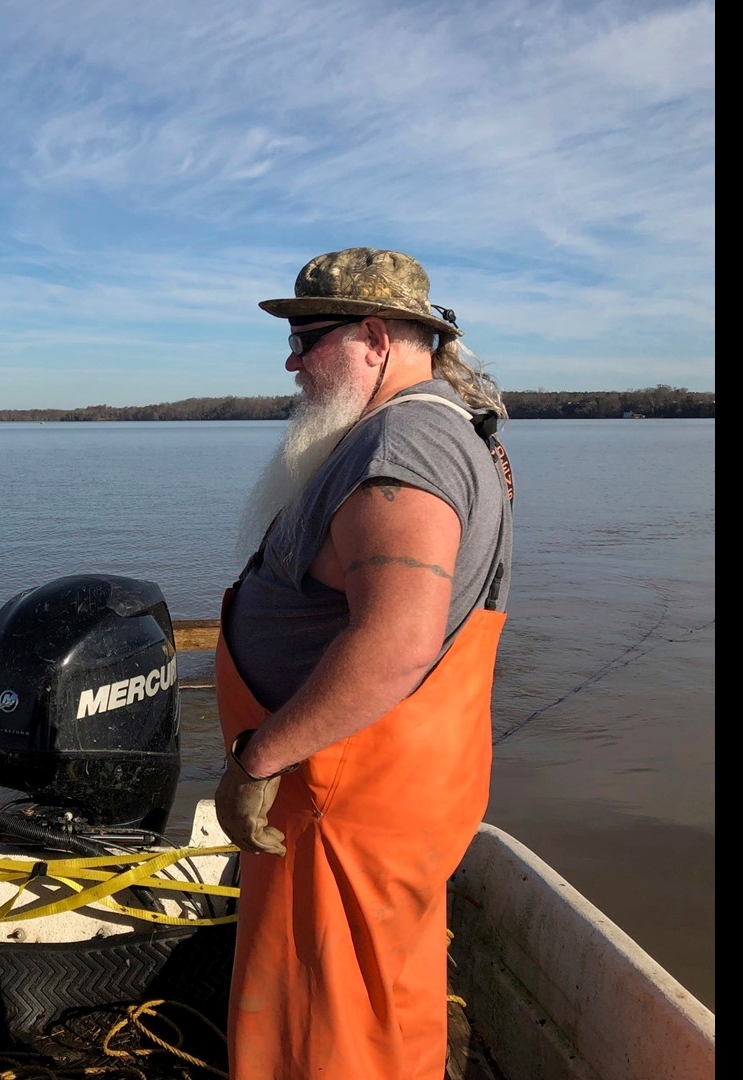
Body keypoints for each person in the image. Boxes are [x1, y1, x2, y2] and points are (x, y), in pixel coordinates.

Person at [213, 248, 515, 1080]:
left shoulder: (405, 445)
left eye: (307, 337)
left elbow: (397, 640)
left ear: (376, 337)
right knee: (363, 1010)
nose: (292, 361)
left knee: (333, 1037)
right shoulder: (426, 431)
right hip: (357, 797)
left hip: (339, 801)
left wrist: (257, 760)